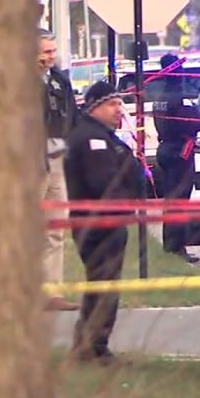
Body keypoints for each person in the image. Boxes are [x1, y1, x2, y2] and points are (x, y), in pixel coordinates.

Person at [64, 81, 144, 365]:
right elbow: (104, 183)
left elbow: (132, 173)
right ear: (94, 105)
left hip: (110, 221)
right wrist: (128, 195)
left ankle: (94, 345)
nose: (118, 110)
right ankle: (91, 346)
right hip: (97, 223)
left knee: (105, 285)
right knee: (102, 285)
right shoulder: (90, 138)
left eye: (120, 104)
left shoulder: (106, 136)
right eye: (112, 104)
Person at [39, 30, 79, 312]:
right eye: (45, 52)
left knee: (55, 227)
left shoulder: (59, 79)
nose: (50, 57)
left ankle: (52, 293)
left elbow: (72, 116)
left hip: (57, 158)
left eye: (53, 51)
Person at [153, 53, 200, 264]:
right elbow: (191, 123)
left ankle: (171, 245)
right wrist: (198, 117)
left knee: (171, 200)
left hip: (165, 148)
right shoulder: (179, 97)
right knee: (180, 201)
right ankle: (176, 247)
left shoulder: (161, 98)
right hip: (180, 151)